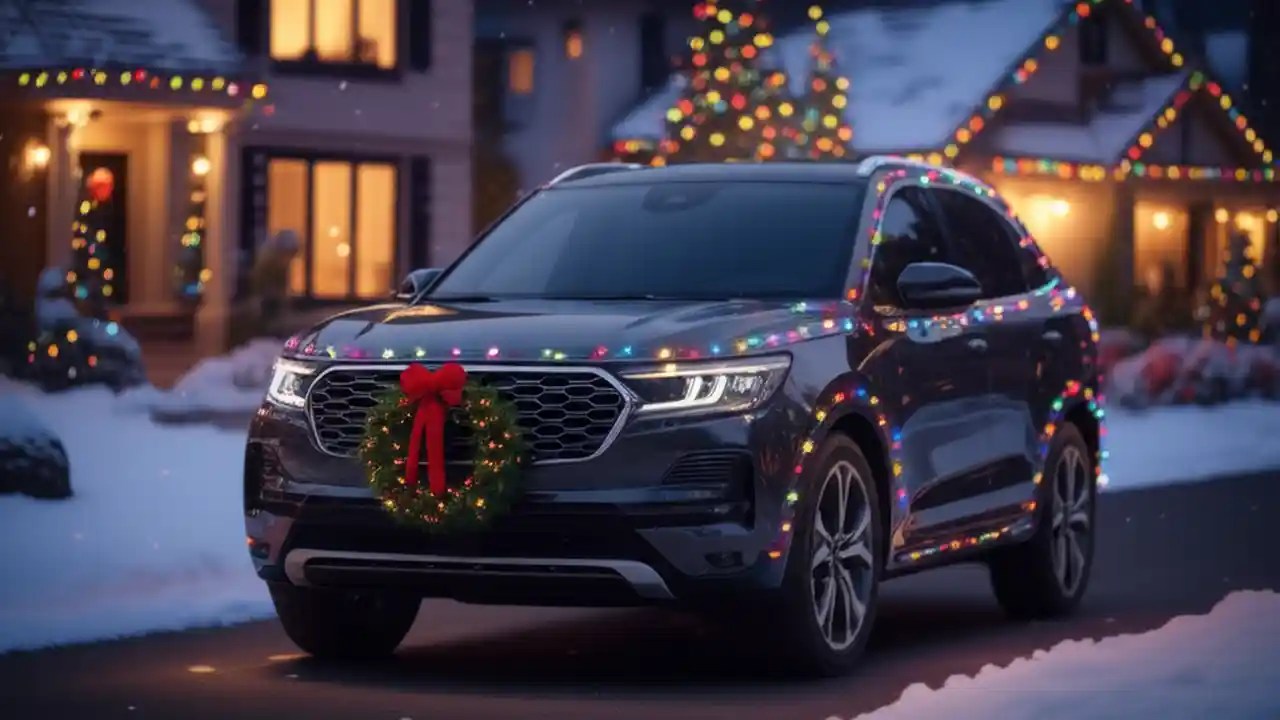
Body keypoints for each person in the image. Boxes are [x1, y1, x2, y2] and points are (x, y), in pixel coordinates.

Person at [250, 230, 300, 336]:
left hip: (272, 300)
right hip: (266, 300)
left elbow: (282, 283)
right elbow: (260, 283)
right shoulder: (267, 263)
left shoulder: (282, 264)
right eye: (289, 254)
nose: (290, 259)